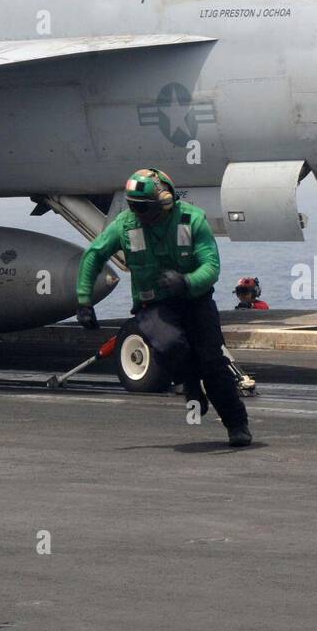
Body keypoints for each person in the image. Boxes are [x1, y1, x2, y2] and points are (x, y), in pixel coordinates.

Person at [75, 169, 252, 447]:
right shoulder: (125, 224)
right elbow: (95, 254)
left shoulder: (193, 220)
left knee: (213, 364)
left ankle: (236, 425)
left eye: (147, 209)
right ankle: (190, 383)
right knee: (169, 345)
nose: (142, 216)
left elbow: (211, 266)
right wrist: (84, 300)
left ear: (166, 201)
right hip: (153, 304)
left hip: (195, 300)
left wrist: (187, 281)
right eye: (136, 208)